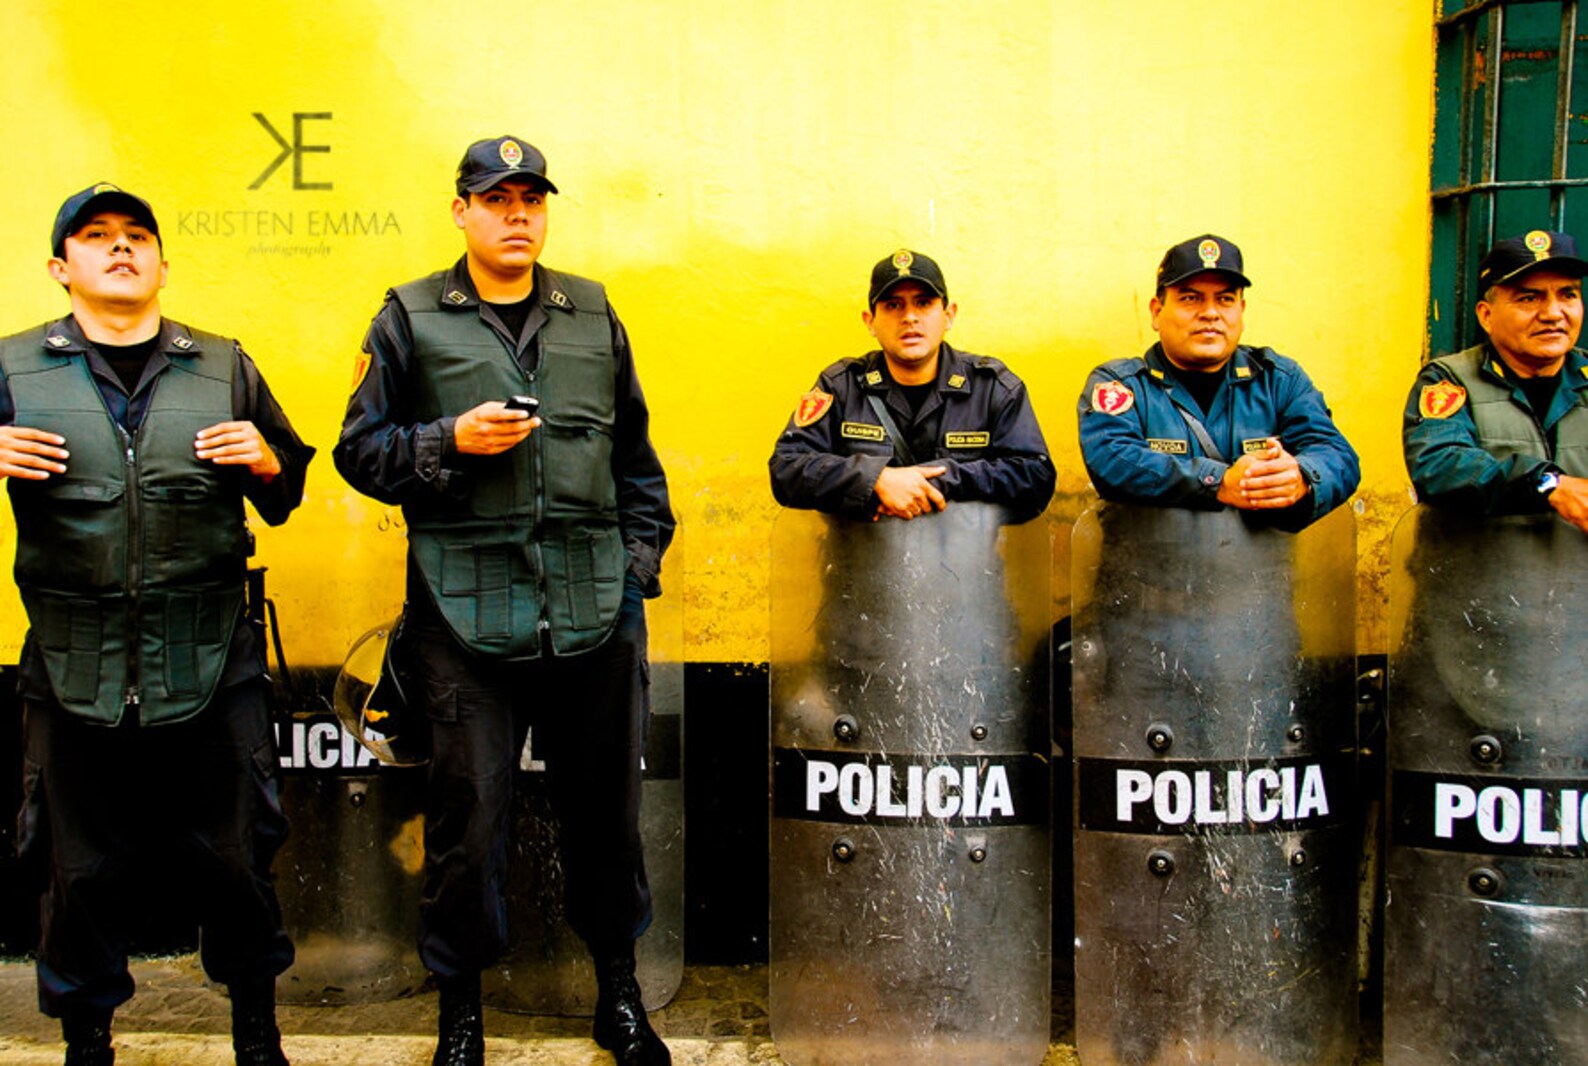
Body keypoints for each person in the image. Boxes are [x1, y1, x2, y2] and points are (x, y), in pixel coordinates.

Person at [334, 137, 674, 1066]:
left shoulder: (592, 314)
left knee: (606, 816)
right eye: (496, 198)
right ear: (462, 212)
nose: (517, 214)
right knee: (469, 822)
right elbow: (358, 452)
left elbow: (636, 461)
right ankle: (461, 1015)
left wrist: (634, 568)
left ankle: (618, 996)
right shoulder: (409, 318)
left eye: (531, 198)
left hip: (595, 611)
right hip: (462, 616)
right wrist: (446, 439)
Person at [4, 184, 313, 1065]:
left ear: (162, 265)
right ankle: (87, 1041)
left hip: (212, 658)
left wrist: (267, 461)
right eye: (96, 236)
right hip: (72, 660)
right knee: (78, 869)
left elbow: (286, 486)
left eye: (137, 236)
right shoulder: (14, 368)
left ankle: (258, 1034)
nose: (120, 248)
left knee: (238, 859)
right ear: (61, 267)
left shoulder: (222, 365)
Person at [1077, 234, 1359, 530]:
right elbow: (1112, 459)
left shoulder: (1279, 381)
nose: (1210, 313)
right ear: (1157, 312)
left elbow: (1337, 454)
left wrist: (1300, 478)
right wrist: (1219, 482)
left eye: (1225, 299)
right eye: (1190, 298)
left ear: (1241, 311)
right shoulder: (1123, 385)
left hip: (1264, 561)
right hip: (1147, 559)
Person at [769, 249, 1055, 524]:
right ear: (870, 322)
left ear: (949, 315)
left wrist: (938, 479)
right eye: (893, 305)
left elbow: (1035, 475)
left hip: (966, 556)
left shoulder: (991, 388)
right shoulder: (841, 386)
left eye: (924, 303)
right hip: (861, 557)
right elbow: (786, 468)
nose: (909, 317)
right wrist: (875, 479)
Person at [1403, 229, 1588, 528]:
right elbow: (1439, 465)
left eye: (1568, 295)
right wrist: (1546, 483)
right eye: (1529, 298)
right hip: (1487, 560)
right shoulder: (1450, 379)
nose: (1553, 313)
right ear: (1486, 316)